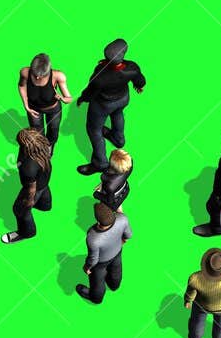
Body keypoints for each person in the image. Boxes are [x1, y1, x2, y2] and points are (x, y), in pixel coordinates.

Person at [75, 37, 146, 174]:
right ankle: (118, 139)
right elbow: (141, 81)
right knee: (117, 114)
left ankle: (100, 163)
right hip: (123, 98)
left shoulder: (100, 75)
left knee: (94, 129)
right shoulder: (132, 67)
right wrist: (138, 86)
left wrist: (83, 98)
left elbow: (90, 93)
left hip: (103, 103)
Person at [3, 128, 52, 244]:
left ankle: (27, 232)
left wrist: (28, 202)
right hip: (44, 181)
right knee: (43, 189)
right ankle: (44, 205)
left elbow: (31, 189)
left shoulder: (28, 168)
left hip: (35, 188)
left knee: (19, 210)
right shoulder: (43, 149)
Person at [184, 248, 221, 338]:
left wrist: (188, 301)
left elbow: (190, 293)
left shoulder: (195, 278)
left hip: (201, 305)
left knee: (197, 323)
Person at [78, 202, 131, 304]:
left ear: (98, 221)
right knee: (116, 271)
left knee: (97, 282)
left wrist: (87, 267)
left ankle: (96, 298)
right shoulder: (123, 219)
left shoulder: (93, 237)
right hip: (117, 253)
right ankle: (114, 285)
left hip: (100, 263)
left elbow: (93, 259)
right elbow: (128, 236)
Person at [17, 53, 71, 144]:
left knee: (53, 132)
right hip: (34, 110)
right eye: (35, 74)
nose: (37, 77)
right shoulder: (25, 72)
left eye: (41, 76)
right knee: (37, 136)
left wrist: (62, 98)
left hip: (53, 110)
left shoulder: (58, 76)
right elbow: (21, 86)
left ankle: (50, 150)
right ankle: (41, 154)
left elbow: (69, 99)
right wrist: (26, 106)